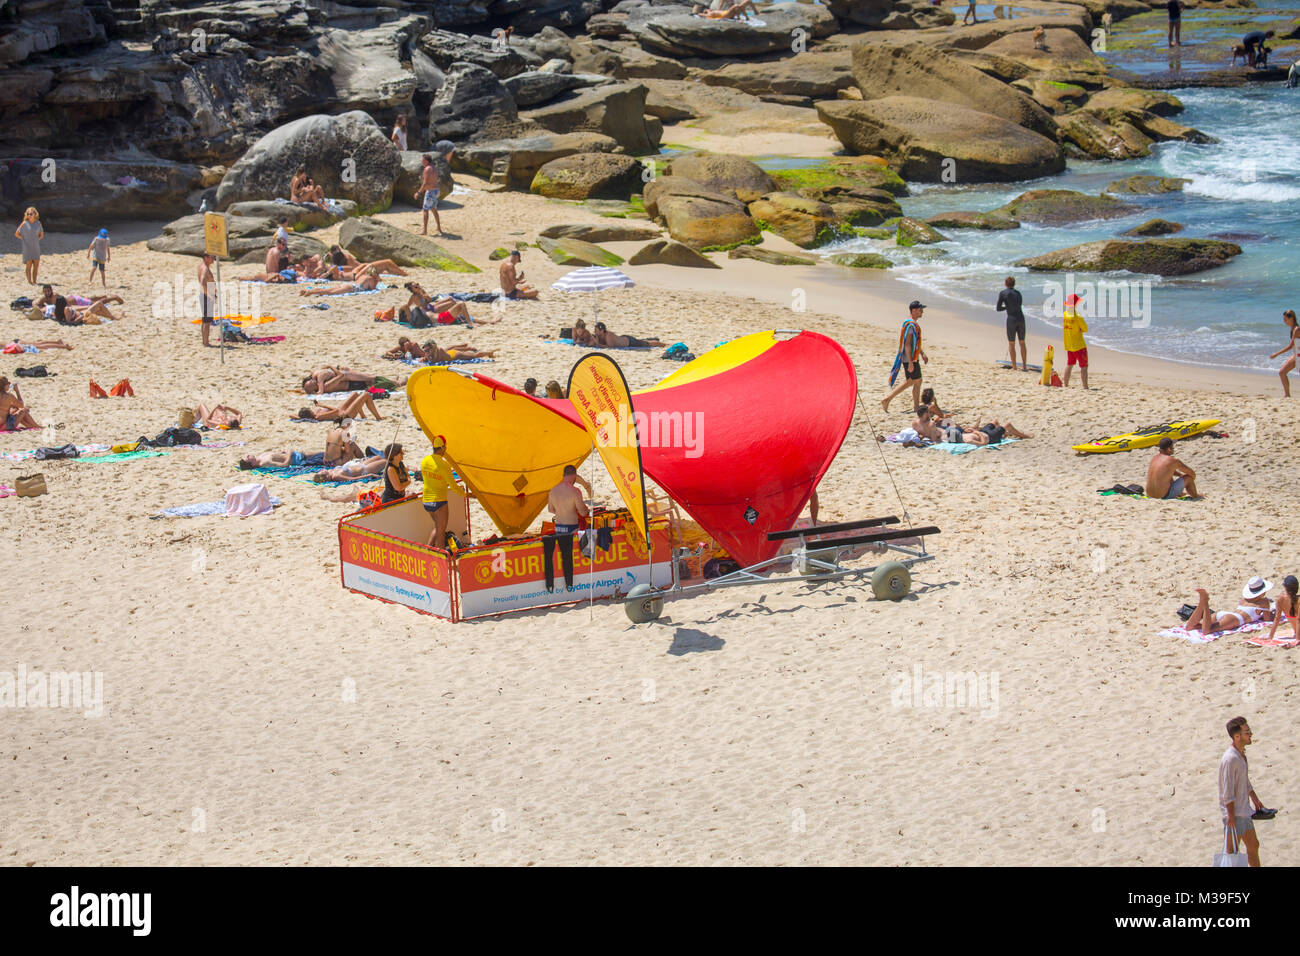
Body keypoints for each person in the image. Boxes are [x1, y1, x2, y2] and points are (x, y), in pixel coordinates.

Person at [1218, 716, 1265, 866]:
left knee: (1253, 846)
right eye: (1247, 732)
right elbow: (1227, 791)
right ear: (1237, 736)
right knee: (1232, 854)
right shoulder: (1230, 759)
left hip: (1244, 811)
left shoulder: (1241, 755)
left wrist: (1255, 799)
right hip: (1234, 814)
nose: (1251, 734)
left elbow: (1244, 781)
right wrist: (1231, 816)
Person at [1182, 579, 1275, 637]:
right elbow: (1267, 619)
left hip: (1224, 614)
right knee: (1207, 630)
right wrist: (1272, 613)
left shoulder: (1244, 599)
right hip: (1235, 619)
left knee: (1190, 627)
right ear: (1263, 592)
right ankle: (1205, 602)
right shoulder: (1264, 602)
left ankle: (1201, 603)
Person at [882, 301, 927, 413]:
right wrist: (910, 362)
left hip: (912, 357)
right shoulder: (910, 325)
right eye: (920, 309)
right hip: (909, 358)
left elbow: (914, 343)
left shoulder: (912, 324)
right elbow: (907, 344)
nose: (922, 311)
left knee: (917, 381)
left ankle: (916, 407)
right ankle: (887, 399)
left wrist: (922, 353)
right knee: (911, 381)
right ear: (914, 310)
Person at [421, 437, 463, 548]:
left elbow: (430, 479)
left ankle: (427, 551)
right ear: (442, 448)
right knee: (441, 535)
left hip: (426, 501)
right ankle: (442, 558)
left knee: (438, 528)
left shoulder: (425, 460)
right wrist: (467, 495)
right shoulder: (444, 465)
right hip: (439, 502)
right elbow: (454, 487)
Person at [549, 464, 590, 536]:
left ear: (563, 475)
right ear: (575, 475)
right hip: (572, 528)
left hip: (558, 527)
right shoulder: (575, 491)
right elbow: (583, 512)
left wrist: (562, 511)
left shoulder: (553, 490)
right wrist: (587, 510)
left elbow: (550, 509)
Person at [996, 276, 1028, 371]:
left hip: (1011, 319)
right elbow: (1019, 305)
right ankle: (1024, 366)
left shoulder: (1003, 293)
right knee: (1022, 342)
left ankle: (1014, 366)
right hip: (1021, 318)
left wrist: (1007, 307)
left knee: (1011, 343)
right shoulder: (1018, 293)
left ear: (1005, 284)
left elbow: (998, 308)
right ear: (1014, 284)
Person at [301, 367, 404, 395]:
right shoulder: (324, 384)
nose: (313, 381)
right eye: (311, 384)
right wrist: (331, 367)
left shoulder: (322, 382)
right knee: (372, 378)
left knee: (372, 378)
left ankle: (393, 381)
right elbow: (341, 376)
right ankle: (397, 383)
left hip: (350, 380)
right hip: (351, 382)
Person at [297, 391, 384, 422]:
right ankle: (378, 417)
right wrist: (323, 405)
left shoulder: (316, 413)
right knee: (366, 395)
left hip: (341, 411)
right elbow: (336, 411)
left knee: (355, 394)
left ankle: (363, 416)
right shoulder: (318, 416)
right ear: (309, 412)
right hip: (345, 416)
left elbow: (294, 415)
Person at [1061, 293, 1089, 388]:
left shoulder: (1065, 314)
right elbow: (1085, 329)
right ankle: (1085, 386)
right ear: (1076, 304)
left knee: (1069, 364)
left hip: (1069, 344)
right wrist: (1080, 329)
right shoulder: (1078, 316)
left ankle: (1066, 384)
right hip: (1079, 345)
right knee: (1084, 366)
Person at [1269, 309, 1298, 397]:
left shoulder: (1296, 329)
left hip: (1298, 355)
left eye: (1285, 319)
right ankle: (1287, 395)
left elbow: (1290, 346)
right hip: (1296, 355)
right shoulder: (1292, 328)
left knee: (1282, 372)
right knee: (1282, 372)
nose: (1284, 321)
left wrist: (1276, 354)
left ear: (1291, 318)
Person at [1265, 574, 1299, 643]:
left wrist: (1270, 636)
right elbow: (1298, 620)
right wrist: (1298, 639)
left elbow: (1277, 618)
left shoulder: (1280, 599)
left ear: (1285, 587)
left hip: (1297, 632)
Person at [414, 153, 442, 236]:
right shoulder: (434, 167)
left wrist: (418, 192)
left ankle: (425, 231)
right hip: (437, 191)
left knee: (425, 210)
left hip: (431, 192)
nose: (421, 161)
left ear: (426, 161)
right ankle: (439, 227)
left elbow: (425, 183)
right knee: (434, 209)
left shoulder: (427, 169)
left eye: (422, 160)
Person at [312, 455, 387, 484]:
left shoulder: (331, 471)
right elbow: (352, 479)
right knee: (385, 461)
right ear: (325, 476)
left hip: (361, 464)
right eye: (321, 472)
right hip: (365, 470)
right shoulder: (336, 476)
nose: (322, 470)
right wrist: (368, 475)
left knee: (379, 457)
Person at [15, 206, 42, 285]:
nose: (29, 215)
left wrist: (36, 240)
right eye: (28, 214)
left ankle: (35, 281)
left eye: (31, 214)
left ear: (35, 214)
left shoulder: (38, 223)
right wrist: (24, 239)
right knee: (29, 265)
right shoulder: (24, 223)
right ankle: (30, 282)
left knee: (36, 265)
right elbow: (16, 234)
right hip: (27, 247)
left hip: (36, 247)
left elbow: (41, 235)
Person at [591, 321, 666, 349]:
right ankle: (654, 339)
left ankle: (664, 344)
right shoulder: (600, 335)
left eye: (596, 330)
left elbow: (610, 347)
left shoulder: (608, 336)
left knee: (648, 344)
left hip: (629, 342)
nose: (594, 332)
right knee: (642, 341)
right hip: (624, 339)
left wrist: (598, 343)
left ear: (602, 331)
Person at [199, 252, 217, 347]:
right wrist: (209, 294)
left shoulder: (202, 266)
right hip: (206, 295)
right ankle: (205, 342)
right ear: (206, 258)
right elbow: (202, 282)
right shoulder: (205, 269)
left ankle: (204, 341)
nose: (213, 259)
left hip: (206, 294)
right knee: (207, 321)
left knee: (205, 320)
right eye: (212, 257)